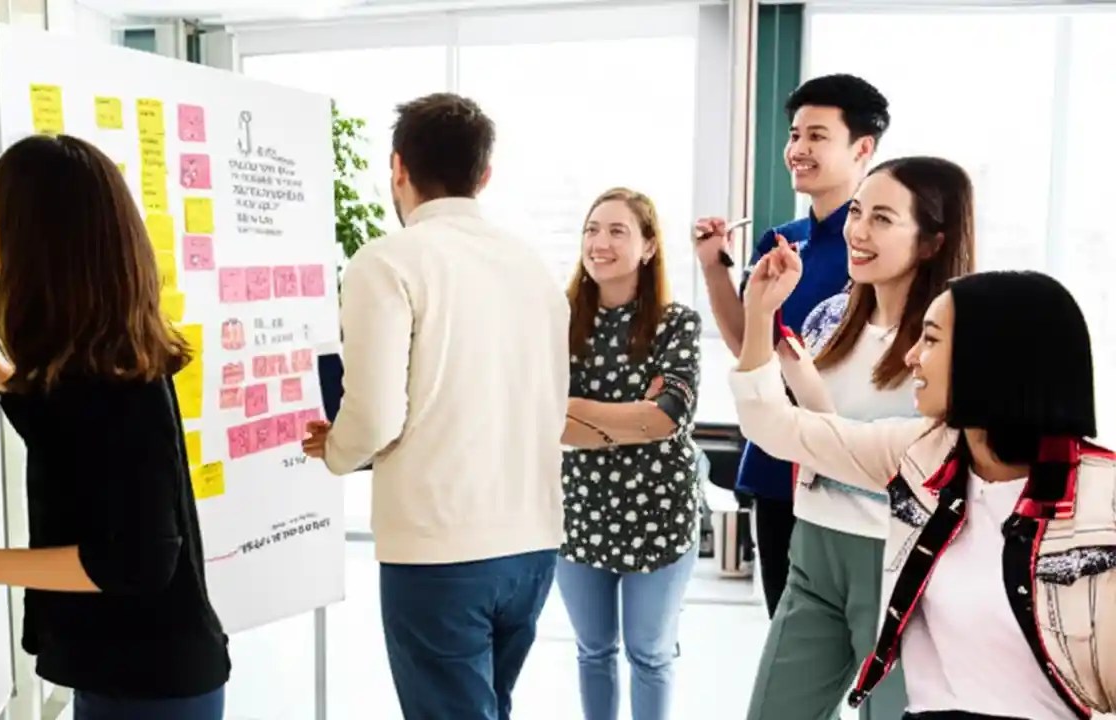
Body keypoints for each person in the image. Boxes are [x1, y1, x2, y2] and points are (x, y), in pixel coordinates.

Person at [0, 134, 230, 720]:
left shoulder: (118, 383)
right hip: (136, 671)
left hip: (150, 686)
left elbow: (137, 562)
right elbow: (79, 444)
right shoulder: (106, 358)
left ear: (39, 249)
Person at [732, 244, 1116, 719]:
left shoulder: (1104, 504)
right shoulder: (921, 454)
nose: (912, 356)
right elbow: (775, 426)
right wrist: (759, 312)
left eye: (930, 340)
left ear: (990, 357)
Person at [300, 93, 570, 720]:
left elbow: (373, 416)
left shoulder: (386, 262)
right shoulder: (534, 267)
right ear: (484, 174)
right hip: (531, 544)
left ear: (398, 167)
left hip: (439, 548)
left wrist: (337, 452)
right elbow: (550, 405)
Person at [744, 156, 976, 720]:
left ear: (930, 242)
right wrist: (760, 312)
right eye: (856, 212)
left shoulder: (951, 341)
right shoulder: (829, 319)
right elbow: (788, 426)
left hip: (899, 557)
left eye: (882, 218)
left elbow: (911, 455)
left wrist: (809, 433)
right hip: (815, 544)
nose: (858, 230)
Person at [694, 74, 890, 616]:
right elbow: (749, 348)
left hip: (857, 470)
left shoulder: (883, 248)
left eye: (817, 136)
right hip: (780, 461)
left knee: (866, 646)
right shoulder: (781, 240)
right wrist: (714, 267)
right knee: (787, 630)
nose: (798, 149)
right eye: (795, 134)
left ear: (863, 148)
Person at [557, 188, 703, 720]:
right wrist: (630, 421)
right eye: (592, 229)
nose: (600, 242)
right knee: (593, 650)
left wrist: (573, 407)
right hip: (580, 511)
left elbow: (668, 417)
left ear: (647, 247)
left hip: (660, 515)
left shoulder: (677, 322)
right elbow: (544, 422)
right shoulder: (560, 319)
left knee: (649, 651)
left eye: (617, 231)